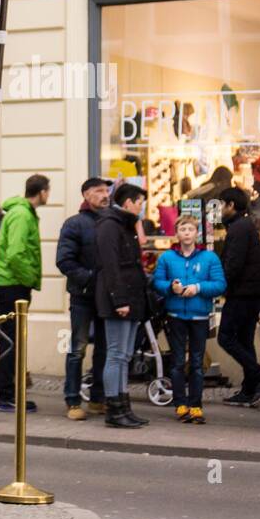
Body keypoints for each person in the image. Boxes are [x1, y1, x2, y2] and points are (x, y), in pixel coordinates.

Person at [153, 214, 225, 424]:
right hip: (175, 315)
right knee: (176, 362)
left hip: (200, 315)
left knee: (195, 362)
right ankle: (180, 404)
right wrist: (170, 287)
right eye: (183, 230)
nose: (186, 233)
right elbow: (157, 281)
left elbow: (220, 284)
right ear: (177, 233)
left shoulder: (209, 258)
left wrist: (198, 288)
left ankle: (196, 405)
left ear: (197, 233)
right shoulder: (167, 257)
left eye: (190, 230)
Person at [0, 174, 50, 412]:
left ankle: (10, 393)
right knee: (11, 341)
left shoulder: (23, 213)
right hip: (12, 285)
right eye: (48, 191)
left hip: (14, 283)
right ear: (42, 192)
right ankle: (6, 396)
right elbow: (15, 253)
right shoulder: (22, 214)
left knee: (14, 341)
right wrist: (28, 279)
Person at [95, 183, 149, 428]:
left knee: (125, 355)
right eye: (140, 202)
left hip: (131, 297)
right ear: (128, 203)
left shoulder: (125, 224)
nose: (142, 207)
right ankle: (113, 409)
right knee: (116, 355)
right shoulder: (109, 225)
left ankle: (123, 406)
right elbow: (110, 265)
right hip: (119, 299)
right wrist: (120, 300)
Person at [56, 177, 111, 420]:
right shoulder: (74, 224)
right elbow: (64, 261)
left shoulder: (112, 221)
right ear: (86, 195)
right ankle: (73, 400)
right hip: (83, 296)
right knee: (77, 348)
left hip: (107, 297)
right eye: (99, 191)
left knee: (104, 349)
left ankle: (98, 399)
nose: (105, 195)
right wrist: (91, 279)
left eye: (107, 190)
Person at [215, 187, 260, 406]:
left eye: (221, 205)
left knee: (225, 337)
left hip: (243, 293)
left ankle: (259, 375)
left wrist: (217, 286)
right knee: (245, 340)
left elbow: (233, 265)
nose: (218, 209)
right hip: (252, 292)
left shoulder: (239, 228)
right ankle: (249, 389)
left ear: (231, 206)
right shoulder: (243, 225)